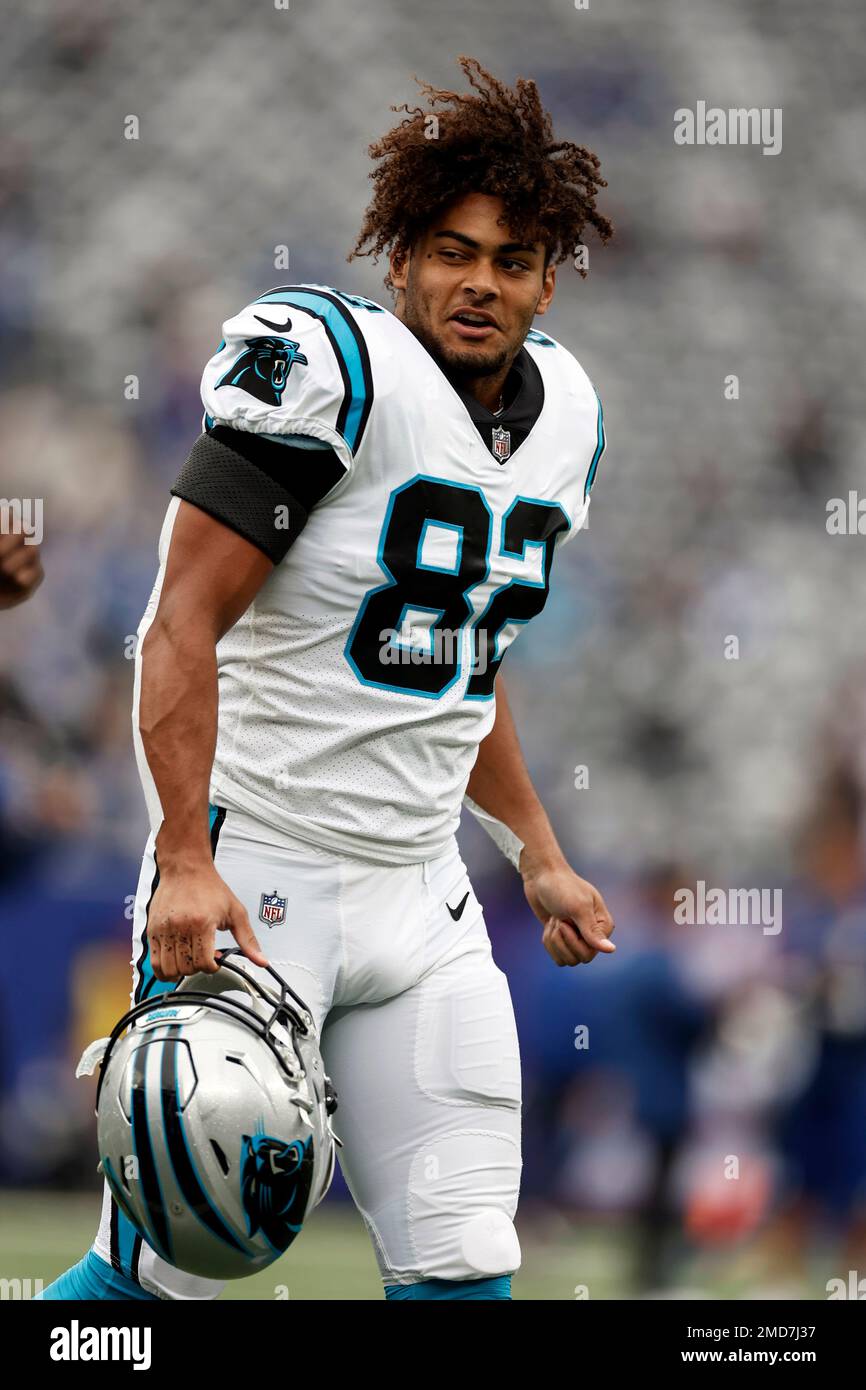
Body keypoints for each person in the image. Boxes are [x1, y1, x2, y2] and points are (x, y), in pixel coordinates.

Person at [41, 55, 616, 1302]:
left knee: (467, 1264)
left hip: (425, 899)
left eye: (510, 260)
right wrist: (186, 857)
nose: (479, 283)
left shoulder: (565, 412)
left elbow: (465, 656)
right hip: (260, 878)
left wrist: (533, 845)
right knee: (164, 1284)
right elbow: (180, 621)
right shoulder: (328, 368)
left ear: (546, 277)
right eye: (453, 251)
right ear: (400, 255)